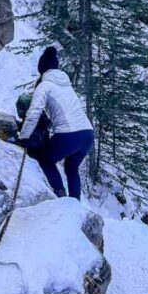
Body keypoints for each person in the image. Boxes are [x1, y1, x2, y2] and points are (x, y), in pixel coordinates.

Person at [18, 46, 94, 200]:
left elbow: (34, 112)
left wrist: (24, 137)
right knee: (71, 168)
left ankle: (60, 194)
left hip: (69, 135)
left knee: (46, 159)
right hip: (88, 134)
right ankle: (75, 202)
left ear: (42, 69)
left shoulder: (44, 85)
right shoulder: (67, 86)